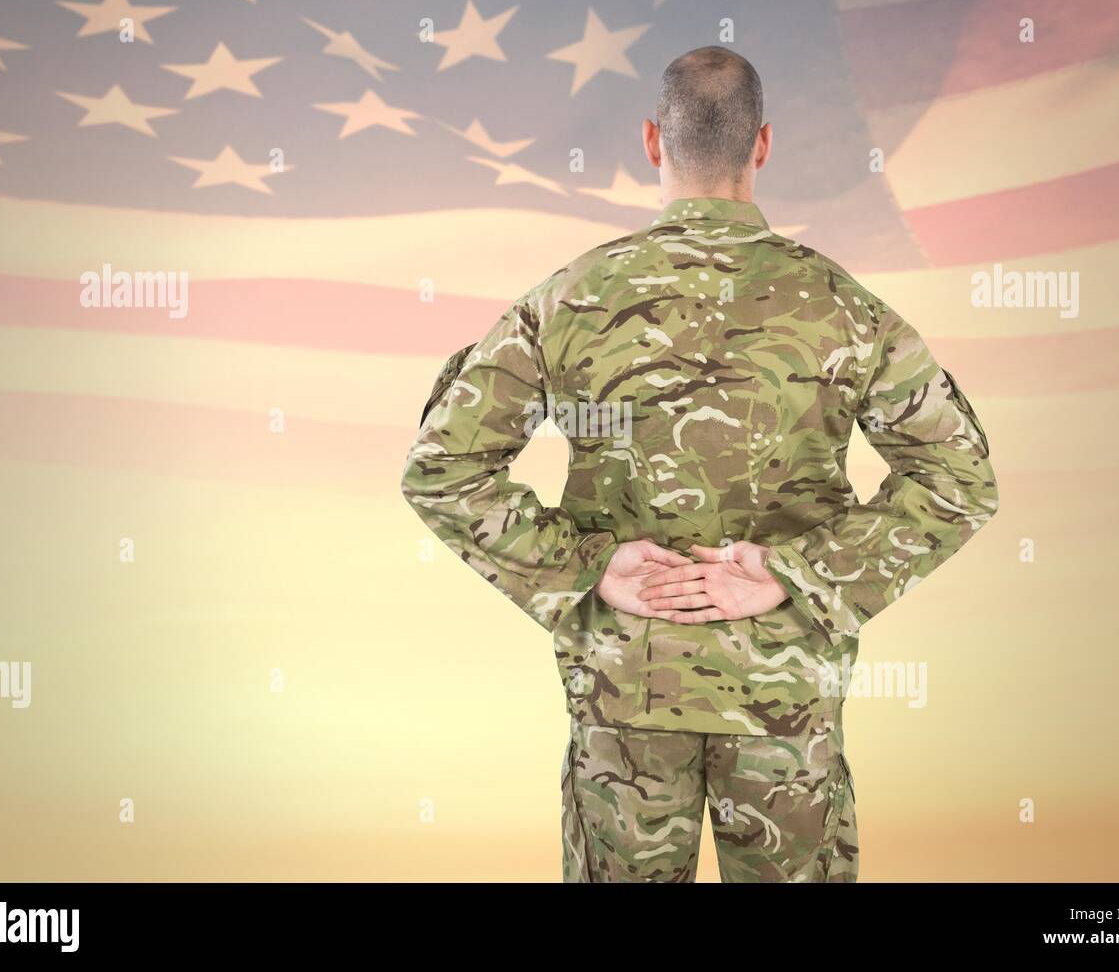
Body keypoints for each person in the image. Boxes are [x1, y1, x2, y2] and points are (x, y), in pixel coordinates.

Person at [401, 46, 998, 883]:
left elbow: (442, 467)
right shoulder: (842, 306)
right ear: (762, 146)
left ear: (652, 141)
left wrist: (589, 569)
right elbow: (959, 479)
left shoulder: (571, 299)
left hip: (624, 693)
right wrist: (796, 573)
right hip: (785, 695)